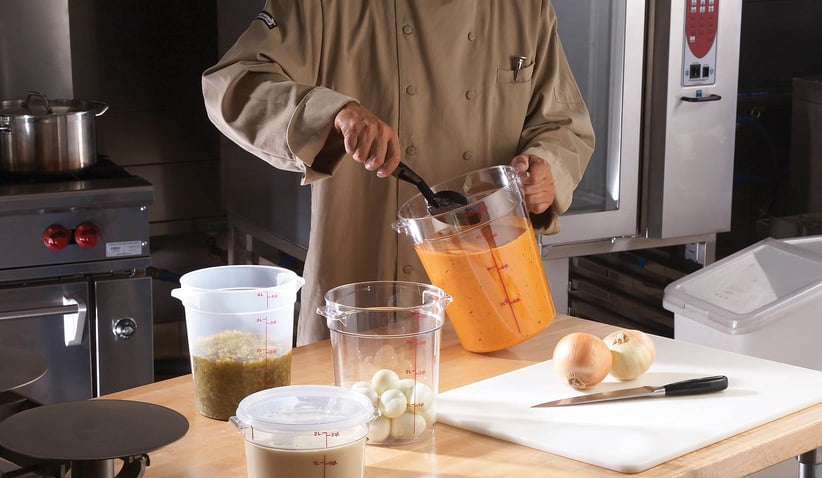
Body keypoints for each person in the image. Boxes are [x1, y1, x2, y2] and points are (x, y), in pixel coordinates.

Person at [202, 1, 595, 347]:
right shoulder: (328, 6)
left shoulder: (525, 8)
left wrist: (547, 171)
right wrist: (331, 113)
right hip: (364, 304)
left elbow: (562, 125)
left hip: (497, 301)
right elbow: (231, 84)